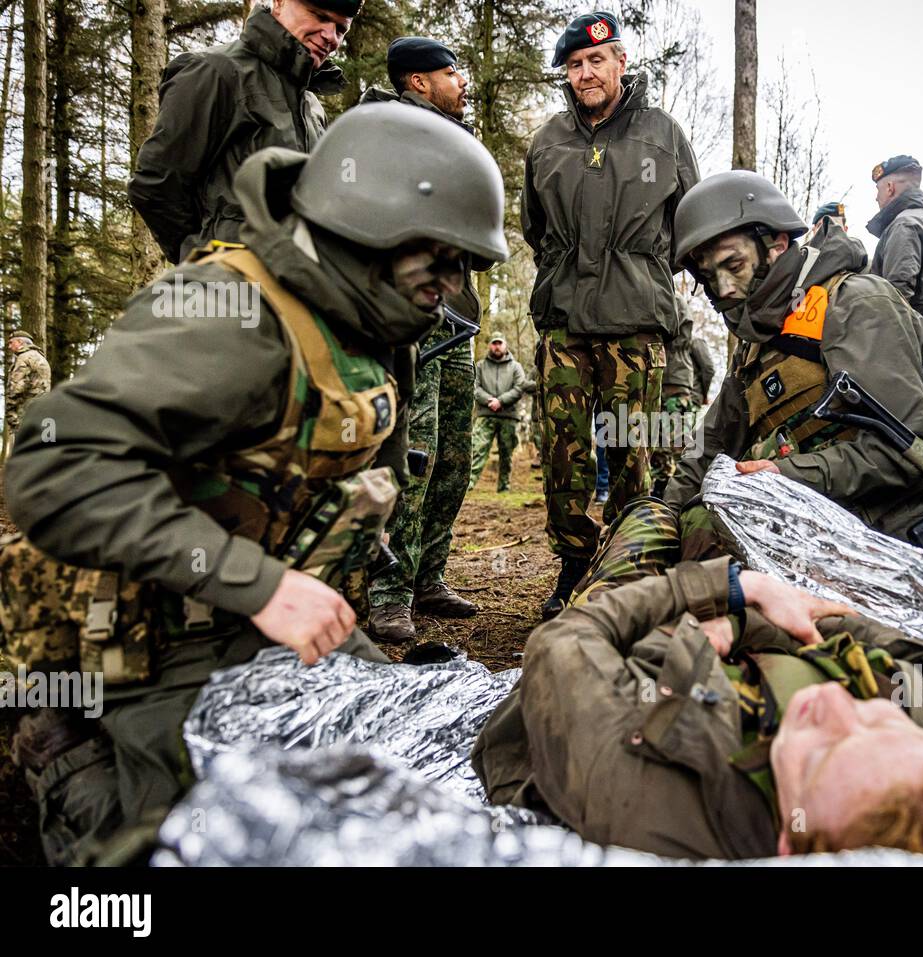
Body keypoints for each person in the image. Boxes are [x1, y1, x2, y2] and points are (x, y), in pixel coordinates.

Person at [1, 102, 508, 864]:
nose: (453, 284)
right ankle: (65, 757)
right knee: (200, 846)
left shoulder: (360, 320)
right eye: (438, 259)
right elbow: (53, 463)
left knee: (426, 777)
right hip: (153, 639)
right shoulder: (228, 311)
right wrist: (262, 584)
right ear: (367, 229)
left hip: (270, 621)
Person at [472, 498, 923, 860]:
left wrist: (734, 592)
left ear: (788, 846)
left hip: (635, 648)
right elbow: (866, 633)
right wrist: (755, 624)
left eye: (820, 753)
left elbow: (565, 643)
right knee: (705, 514)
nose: (834, 702)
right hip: (742, 630)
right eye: (878, 718)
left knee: (650, 515)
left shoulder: (648, 800)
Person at [661, 171, 923, 597]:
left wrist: (783, 473)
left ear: (776, 242)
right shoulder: (755, 348)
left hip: (921, 532)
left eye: (733, 265)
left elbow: (907, 453)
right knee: (693, 534)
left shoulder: (857, 304)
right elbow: (710, 446)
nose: (724, 290)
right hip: (835, 524)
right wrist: (660, 516)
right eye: (707, 279)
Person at [523, 11, 700, 619]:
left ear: (621, 62)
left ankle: (628, 570)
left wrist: (644, 272)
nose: (585, 74)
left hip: (636, 322)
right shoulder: (548, 140)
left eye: (596, 61)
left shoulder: (662, 134)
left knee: (633, 452)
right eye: (574, 66)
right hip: (564, 320)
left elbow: (690, 223)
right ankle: (573, 566)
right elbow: (535, 228)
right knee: (564, 452)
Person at [361, 37, 484, 639]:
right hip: (411, 326)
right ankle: (388, 593)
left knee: (455, 461)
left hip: (457, 322)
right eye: (450, 72)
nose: (461, 81)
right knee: (413, 459)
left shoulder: (455, 140)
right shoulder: (385, 133)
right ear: (417, 81)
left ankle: (429, 574)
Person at [128, 0, 362, 265]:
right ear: (279, 2)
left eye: (341, 29)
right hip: (227, 292)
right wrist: (204, 259)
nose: (330, 36)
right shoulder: (215, 72)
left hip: (298, 286)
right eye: (319, 15)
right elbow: (156, 184)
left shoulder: (311, 105)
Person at [867, 155, 923, 359]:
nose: (876, 198)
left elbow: (895, 298)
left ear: (890, 187)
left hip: (905, 358)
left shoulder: (904, 225)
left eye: (878, 190)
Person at [649, 295, 706, 497]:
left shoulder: (671, 300)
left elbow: (707, 368)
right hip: (668, 381)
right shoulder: (671, 299)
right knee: (661, 439)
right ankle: (662, 486)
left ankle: (677, 489)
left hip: (673, 382)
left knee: (675, 441)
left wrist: (701, 396)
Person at [468, 333, 529, 493]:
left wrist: (500, 401)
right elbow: (475, 386)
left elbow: (519, 387)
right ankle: (469, 484)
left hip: (509, 416)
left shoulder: (516, 367)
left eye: (499, 343)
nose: (497, 346)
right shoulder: (480, 366)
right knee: (477, 449)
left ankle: (504, 487)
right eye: (494, 343)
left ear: (505, 346)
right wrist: (489, 401)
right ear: (489, 346)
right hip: (485, 414)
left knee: (506, 453)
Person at [4, 332, 51, 459]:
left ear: (20, 342)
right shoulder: (42, 359)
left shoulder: (23, 358)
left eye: (11, 342)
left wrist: (11, 415)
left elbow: (16, 389)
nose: (9, 346)